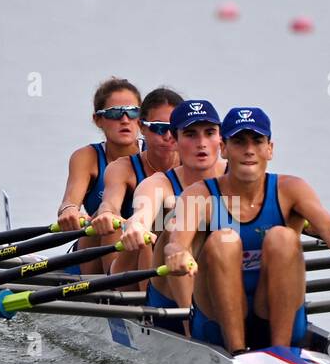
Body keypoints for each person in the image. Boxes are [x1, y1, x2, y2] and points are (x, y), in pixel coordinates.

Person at [163, 107, 330, 353]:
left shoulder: (292, 189)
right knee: (224, 240)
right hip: (215, 322)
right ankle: (237, 352)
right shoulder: (199, 194)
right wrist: (177, 254)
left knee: (282, 237)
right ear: (225, 149)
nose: (249, 150)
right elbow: (177, 242)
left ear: (270, 149)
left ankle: (281, 353)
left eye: (257, 141)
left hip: (273, 313)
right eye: (239, 141)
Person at [110, 100, 227, 332]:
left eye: (209, 133)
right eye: (191, 134)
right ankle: (194, 332)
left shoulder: (242, 175)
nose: (201, 143)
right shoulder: (159, 183)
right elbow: (142, 213)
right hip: (169, 294)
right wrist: (136, 226)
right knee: (179, 217)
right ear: (174, 140)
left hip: (226, 283)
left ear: (221, 140)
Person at [88, 87, 183, 270]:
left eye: (174, 129)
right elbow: (110, 204)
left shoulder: (195, 167)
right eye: (159, 128)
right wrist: (106, 213)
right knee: (126, 225)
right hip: (125, 263)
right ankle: (118, 289)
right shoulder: (121, 168)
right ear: (141, 127)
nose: (169, 136)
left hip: (175, 259)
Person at [54, 77, 142, 274]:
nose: (125, 120)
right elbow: (70, 201)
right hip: (89, 257)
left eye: (133, 111)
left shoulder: (156, 154)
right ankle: (107, 293)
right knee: (107, 220)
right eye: (114, 113)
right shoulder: (87, 157)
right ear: (98, 120)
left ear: (141, 119)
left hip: (140, 251)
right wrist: (69, 211)